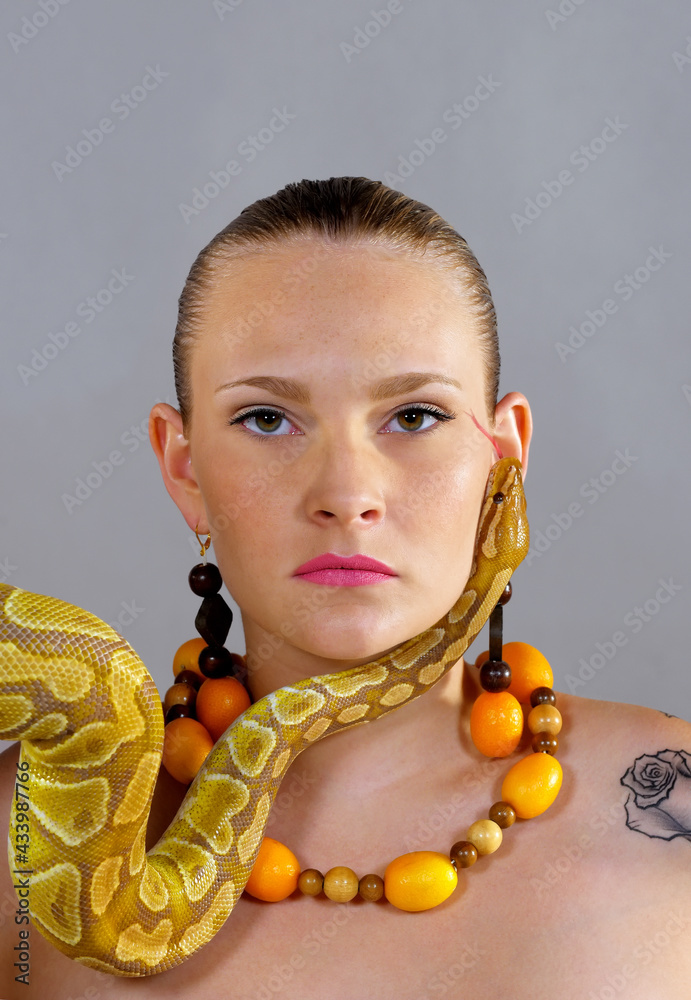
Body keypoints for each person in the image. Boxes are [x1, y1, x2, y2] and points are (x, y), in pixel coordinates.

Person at [1, 176, 689, 999]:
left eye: (414, 416)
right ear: (184, 470)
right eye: (266, 419)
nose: (346, 493)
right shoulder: (18, 836)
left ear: (503, 457)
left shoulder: (668, 805)